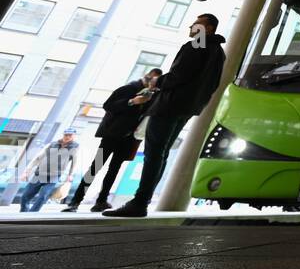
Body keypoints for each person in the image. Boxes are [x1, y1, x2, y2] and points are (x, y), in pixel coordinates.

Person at [105, 14, 227, 218]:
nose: (191, 26)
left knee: (154, 153)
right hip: (187, 108)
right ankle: (143, 200)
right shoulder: (218, 52)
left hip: (169, 105)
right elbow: (212, 85)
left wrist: (157, 82)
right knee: (161, 153)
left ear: (209, 28)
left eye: (197, 23)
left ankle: (140, 202)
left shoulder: (198, 44)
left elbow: (180, 74)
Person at [62, 69, 161, 213]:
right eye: (153, 82)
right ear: (147, 79)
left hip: (129, 139)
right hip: (112, 135)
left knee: (114, 170)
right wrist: (132, 101)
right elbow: (108, 105)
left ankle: (101, 201)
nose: (153, 87)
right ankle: (75, 201)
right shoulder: (129, 88)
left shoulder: (152, 96)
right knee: (96, 167)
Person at [18, 128, 80, 212]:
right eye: (66, 135)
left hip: (54, 176)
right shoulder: (52, 144)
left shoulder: (75, 147)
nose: (67, 137)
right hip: (39, 174)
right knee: (25, 196)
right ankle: (24, 213)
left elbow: (75, 162)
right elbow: (38, 158)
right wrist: (27, 171)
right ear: (63, 135)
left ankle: (32, 214)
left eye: (70, 135)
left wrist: (70, 174)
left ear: (74, 136)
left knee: (43, 196)